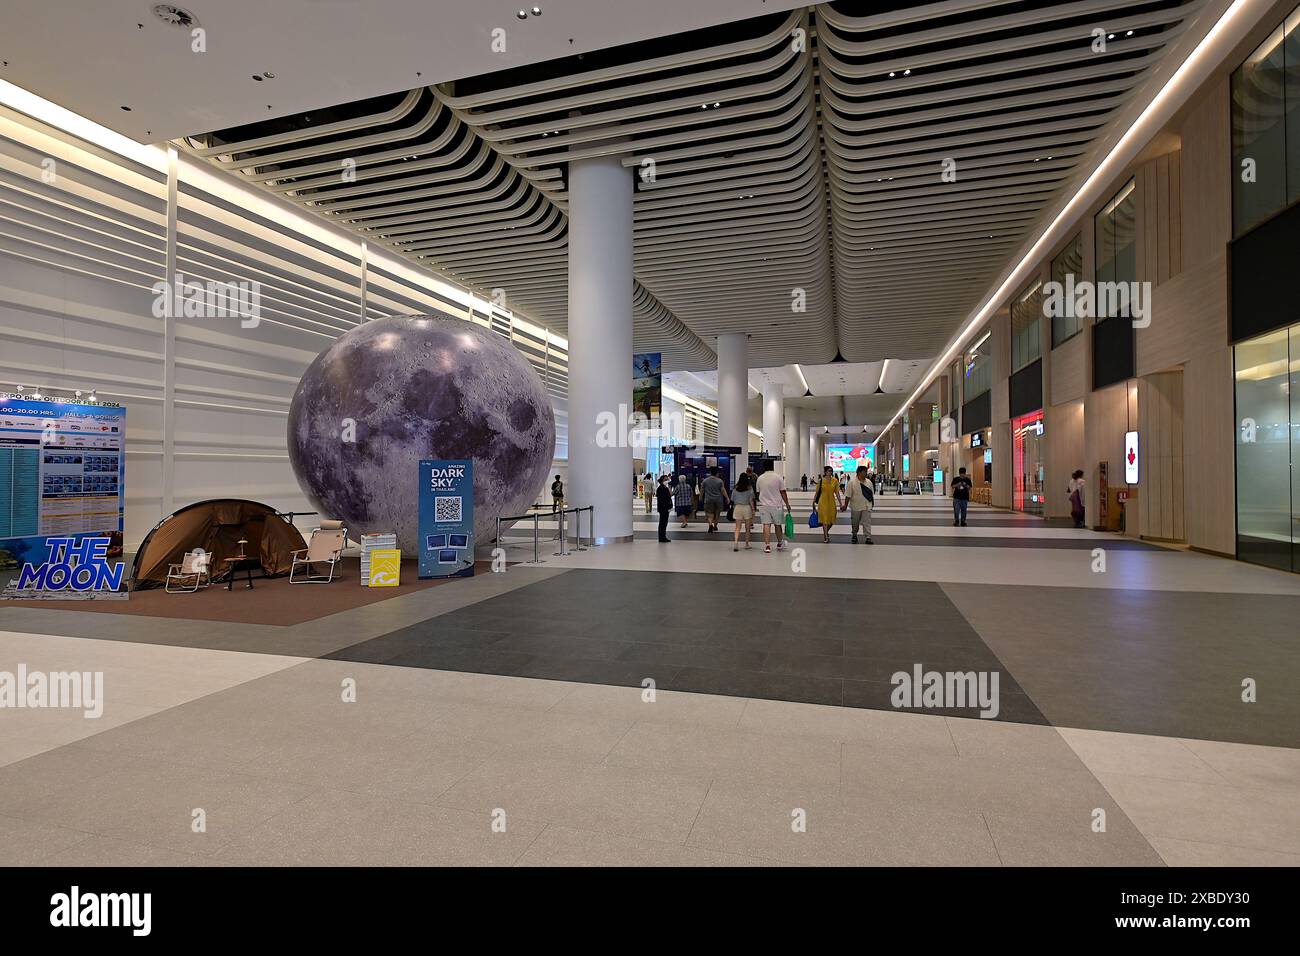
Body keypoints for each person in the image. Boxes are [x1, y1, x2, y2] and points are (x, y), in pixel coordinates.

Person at [754, 461, 792, 553]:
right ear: (773, 466)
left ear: (764, 467)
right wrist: (787, 504)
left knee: (766, 525)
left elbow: (758, 493)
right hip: (777, 505)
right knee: (777, 525)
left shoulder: (760, 478)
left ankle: (767, 546)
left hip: (764, 505)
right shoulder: (778, 477)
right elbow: (783, 492)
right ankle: (779, 543)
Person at [843, 465, 875, 544]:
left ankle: (868, 537)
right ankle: (854, 534)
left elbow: (871, 494)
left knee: (867, 522)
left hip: (867, 505)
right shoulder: (852, 482)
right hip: (856, 506)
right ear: (859, 472)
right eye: (864, 472)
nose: (866, 473)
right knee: (855, 522)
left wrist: (872, 504)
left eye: (866, 472)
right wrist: (845, 505)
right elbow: (848, 495)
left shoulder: (869, 482)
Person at [813, 466, 843, 544]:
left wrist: (840, 503)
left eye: (831, 471)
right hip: (822, 502)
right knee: (825, 520)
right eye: (829, 471)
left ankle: (826, 532)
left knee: (832, 519)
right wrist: (813, 502)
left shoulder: (835, 481)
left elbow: (837, 493)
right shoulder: (821, 481)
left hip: (831, 502)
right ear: (825, 472)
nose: (830, 472)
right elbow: (817, 492)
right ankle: (826, 537)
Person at [700, 465, 729, 533]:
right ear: (717, 473)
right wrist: (727, 498)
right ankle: (715, 526)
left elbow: (702, 490)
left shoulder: (705, 481)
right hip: (718, 500)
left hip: (708, 500)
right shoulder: (720, 481)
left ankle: (710, 524)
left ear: (710, 472)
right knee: (717, 513)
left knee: (709, 513)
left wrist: (700, 497)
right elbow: (723, 490)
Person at [731, 471, 755, 551]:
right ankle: (746, 544)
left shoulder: (735, 488)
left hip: (737, 508)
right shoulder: (749, 488)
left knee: (737, 527)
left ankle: (736, 543)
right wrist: (753, 509)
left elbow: (732, 499)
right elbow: (751, 500)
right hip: (747, 508)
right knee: (747, 528)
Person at [655, 474, 673, 542]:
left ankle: (663, 536)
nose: (667, 481)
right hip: (663, 508)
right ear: (662, 480)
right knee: (663, 523)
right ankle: (662, 537)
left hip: (665, 508)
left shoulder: (664, 487)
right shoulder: (661, 488)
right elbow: (664, 498)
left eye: (667, 479)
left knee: (664, 523)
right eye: (665, 480)